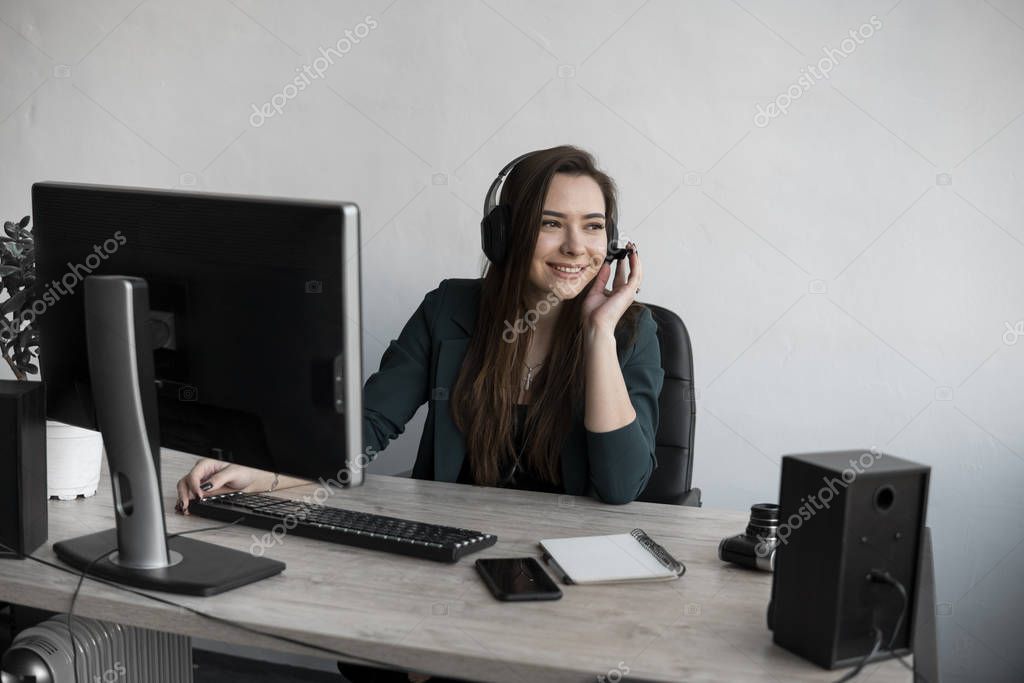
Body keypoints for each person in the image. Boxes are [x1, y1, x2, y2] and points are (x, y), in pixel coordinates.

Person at [175, 145, 664, 682]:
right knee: (375, 658)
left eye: (593, 227)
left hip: (566, 579)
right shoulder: (448, 310)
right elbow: (367, 426)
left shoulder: (631, 332)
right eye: (551, 223)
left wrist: (599, 333)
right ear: (504, 235)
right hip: (456, 560)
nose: (576, 246)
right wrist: (262, 470)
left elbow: (621, 486)